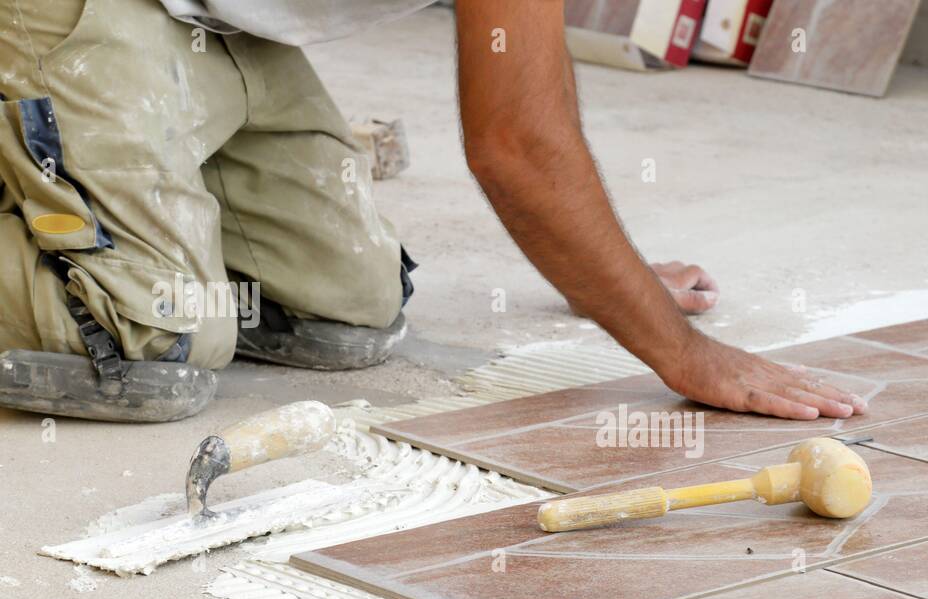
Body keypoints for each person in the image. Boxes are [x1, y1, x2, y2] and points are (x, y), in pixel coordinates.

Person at [0, 0, 865, 422]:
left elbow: (521, 97)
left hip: (216, 20)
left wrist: (609, 276)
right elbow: (517, 146)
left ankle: (76, 190)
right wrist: (679, 353)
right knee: (150, 342)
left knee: (341, 316)